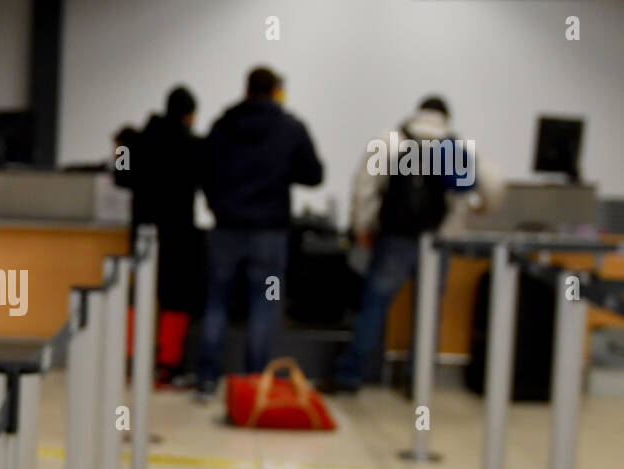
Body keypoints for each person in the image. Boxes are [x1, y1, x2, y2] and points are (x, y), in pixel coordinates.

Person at [330, 96, 500, 393]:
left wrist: (362, 227)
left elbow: (364, 186)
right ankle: (417, 381)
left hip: (395, 237)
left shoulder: (391, 140)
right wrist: (476, 212)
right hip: (438, 241)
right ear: (445, 117)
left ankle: (349, 377)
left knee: (373, 307)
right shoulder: (453, 146)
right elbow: (494, 186)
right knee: (428, 311)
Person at [196, 67, 323, 401]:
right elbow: (313, 174)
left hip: (226, 229)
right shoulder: (290, 128)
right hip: (270, 233)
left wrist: (217, 206)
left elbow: (204, 170)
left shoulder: (222, 126)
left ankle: (207, 379)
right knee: (265, 306)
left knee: (217, 302)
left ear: (247, 89)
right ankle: (255, 381)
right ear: (277, 91)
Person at [119, 86, 206, 382]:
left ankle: (131, 358)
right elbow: (204, 181)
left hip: (143, 229)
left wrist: (123, 147)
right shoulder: (193, 145)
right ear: (189, 115)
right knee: (176, 298)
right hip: (179, 233)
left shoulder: (138, 140)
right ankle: (168, 364)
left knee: (140, 293)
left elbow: (121, 177)